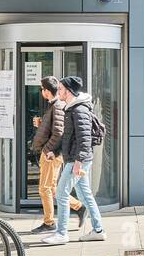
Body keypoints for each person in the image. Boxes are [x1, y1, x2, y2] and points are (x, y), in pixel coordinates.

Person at [42, 75, 105, 244]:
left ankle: (61, 233)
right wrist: (54, 152)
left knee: (61, 193)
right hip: (76, 159)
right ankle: (98, 230)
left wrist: (78, 162)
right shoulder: (72, 108)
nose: (59, 91)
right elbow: (68, 137)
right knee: (85, 196)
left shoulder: (79, 110)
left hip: (78, 160)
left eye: (61, 89)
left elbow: (84, 139)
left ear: (69, 91)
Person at [27, 76, 64, 235]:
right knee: (53, 189)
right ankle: (79, 207)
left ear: (47, 91)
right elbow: (54, 129)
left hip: (50, 154)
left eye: (42, 89)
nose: (42, 92)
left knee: (44, 189)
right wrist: (41, 123)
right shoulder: (53, 106)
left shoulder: (56, 107)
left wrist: (48, 150)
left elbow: (59, 133)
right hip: (50, 153)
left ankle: (49, 223)